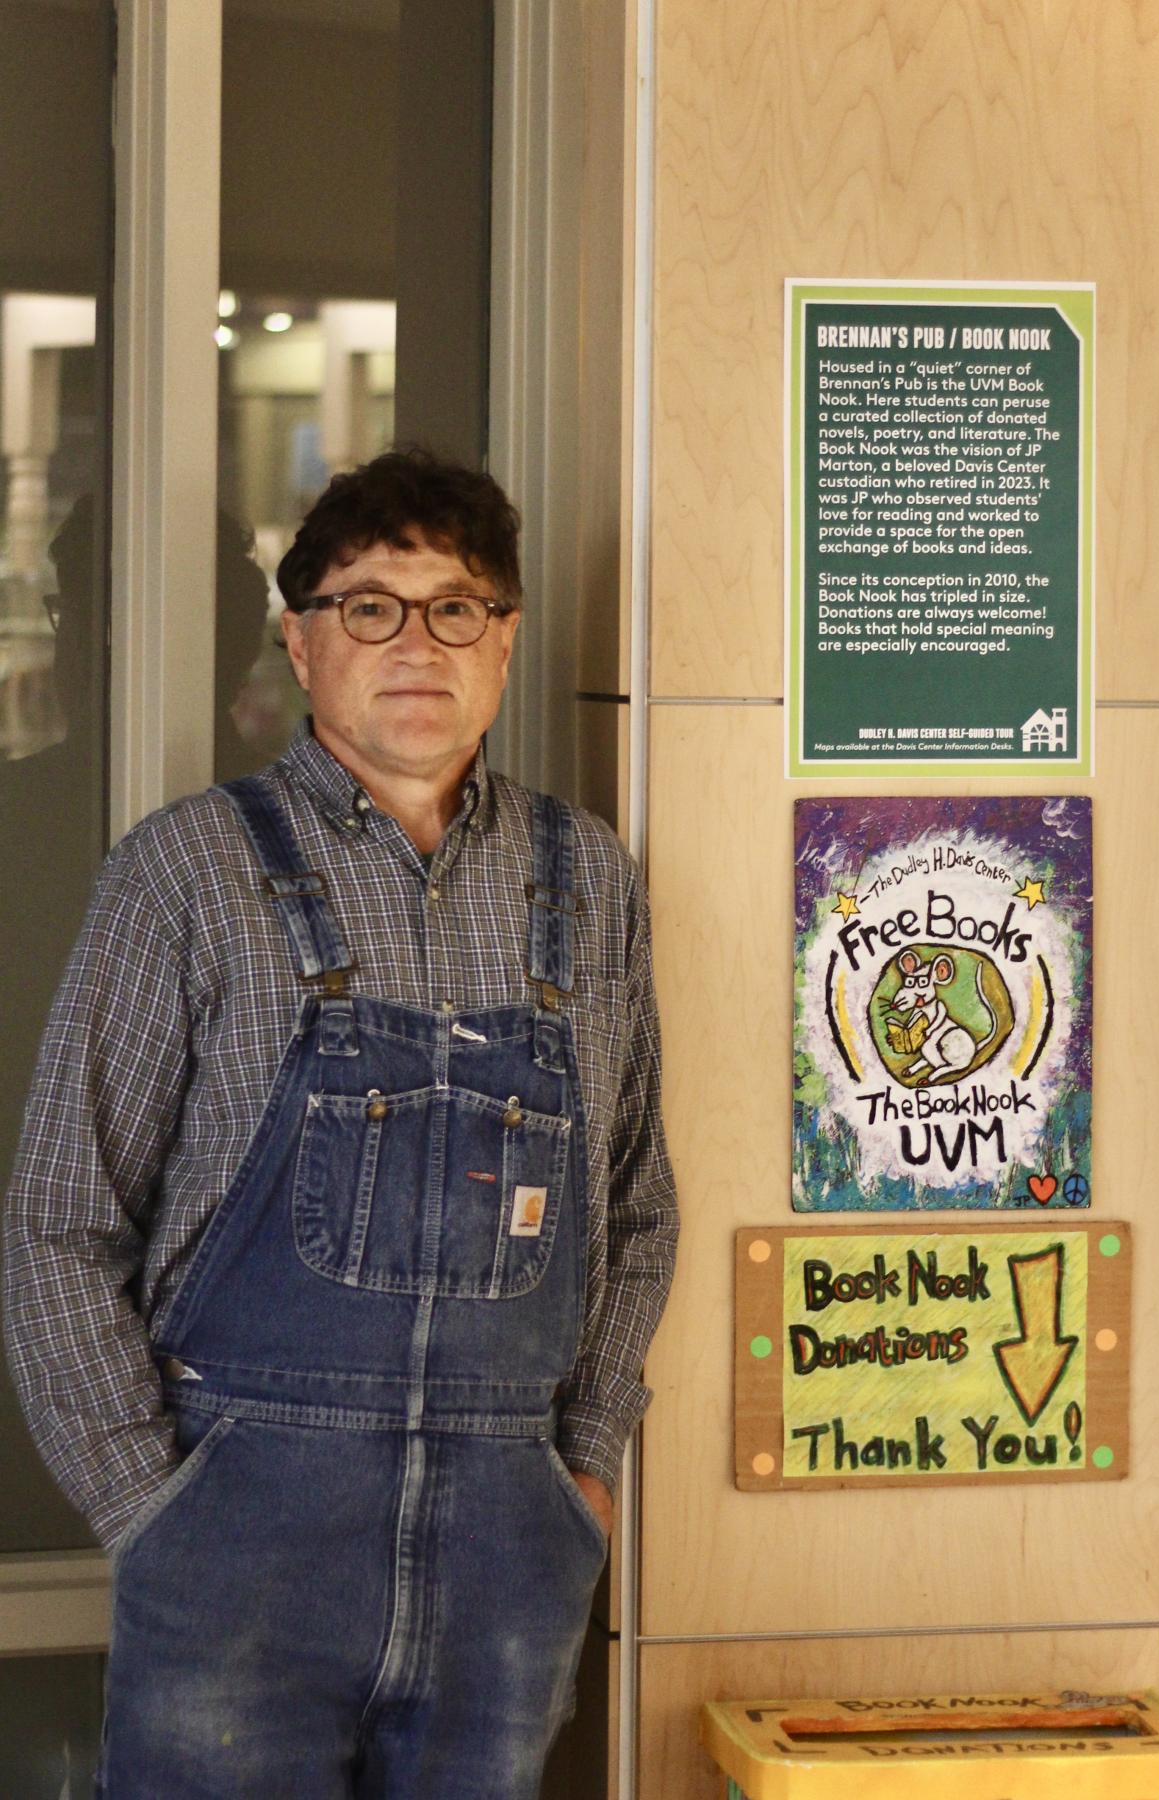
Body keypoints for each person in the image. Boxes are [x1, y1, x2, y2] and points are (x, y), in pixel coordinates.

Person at [3, 448, 678, 1797]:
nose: (418, 643)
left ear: (506, 641)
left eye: (456, 607)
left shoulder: (586, 877)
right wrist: (149, 1507)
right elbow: (61, 1223)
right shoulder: (189, 870)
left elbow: (634, 1200)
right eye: (371, 606)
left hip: (507, 1551)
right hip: (240, 1547)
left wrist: (583, 1470)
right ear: (301, 642)